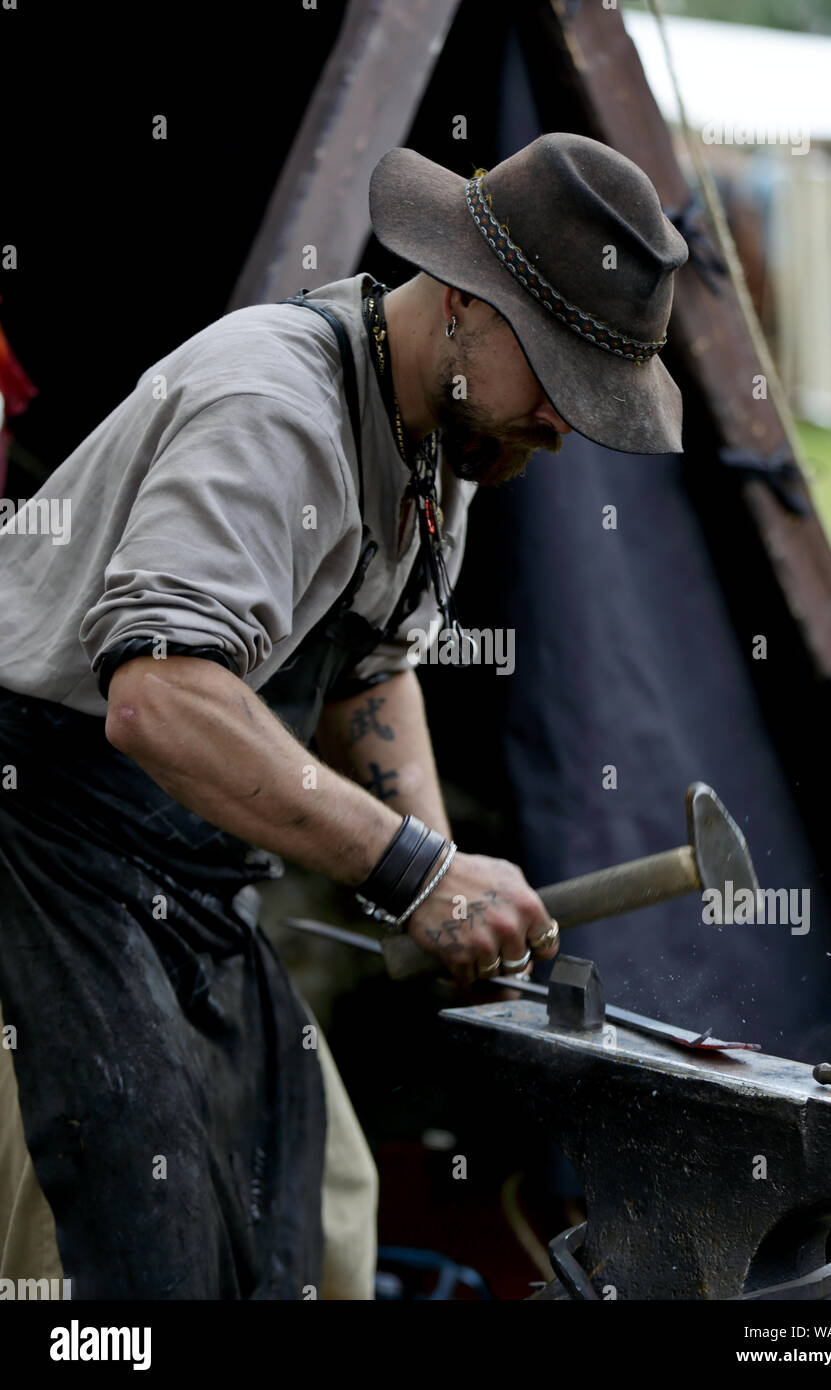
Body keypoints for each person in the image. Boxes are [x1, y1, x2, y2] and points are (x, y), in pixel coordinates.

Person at [0, 133, 688, 1299]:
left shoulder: (438, 446)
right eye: (560, 383)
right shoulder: (277, 408)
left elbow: (369, 671)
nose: (566, 428)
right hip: (39, 853)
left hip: (183, 887)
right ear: (468, 301)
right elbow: (159, 697)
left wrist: (444, 869)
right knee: (116, 1260)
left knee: (321, 1219)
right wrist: (415, 871)